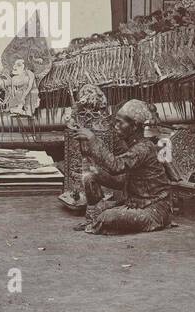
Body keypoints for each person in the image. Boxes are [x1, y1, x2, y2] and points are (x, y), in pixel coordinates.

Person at [74, 99, 173, 235]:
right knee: (90, 174)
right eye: (116, 121)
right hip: (134, 201)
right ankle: (92, 218)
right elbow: (120, 174)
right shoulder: (131, 142)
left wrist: (92, 139)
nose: (116, 126)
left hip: (154, 208)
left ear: (134, 127)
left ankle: (99, 220)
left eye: (121, 122)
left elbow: (116, 166)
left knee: (107, 217)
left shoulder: (144, 148)